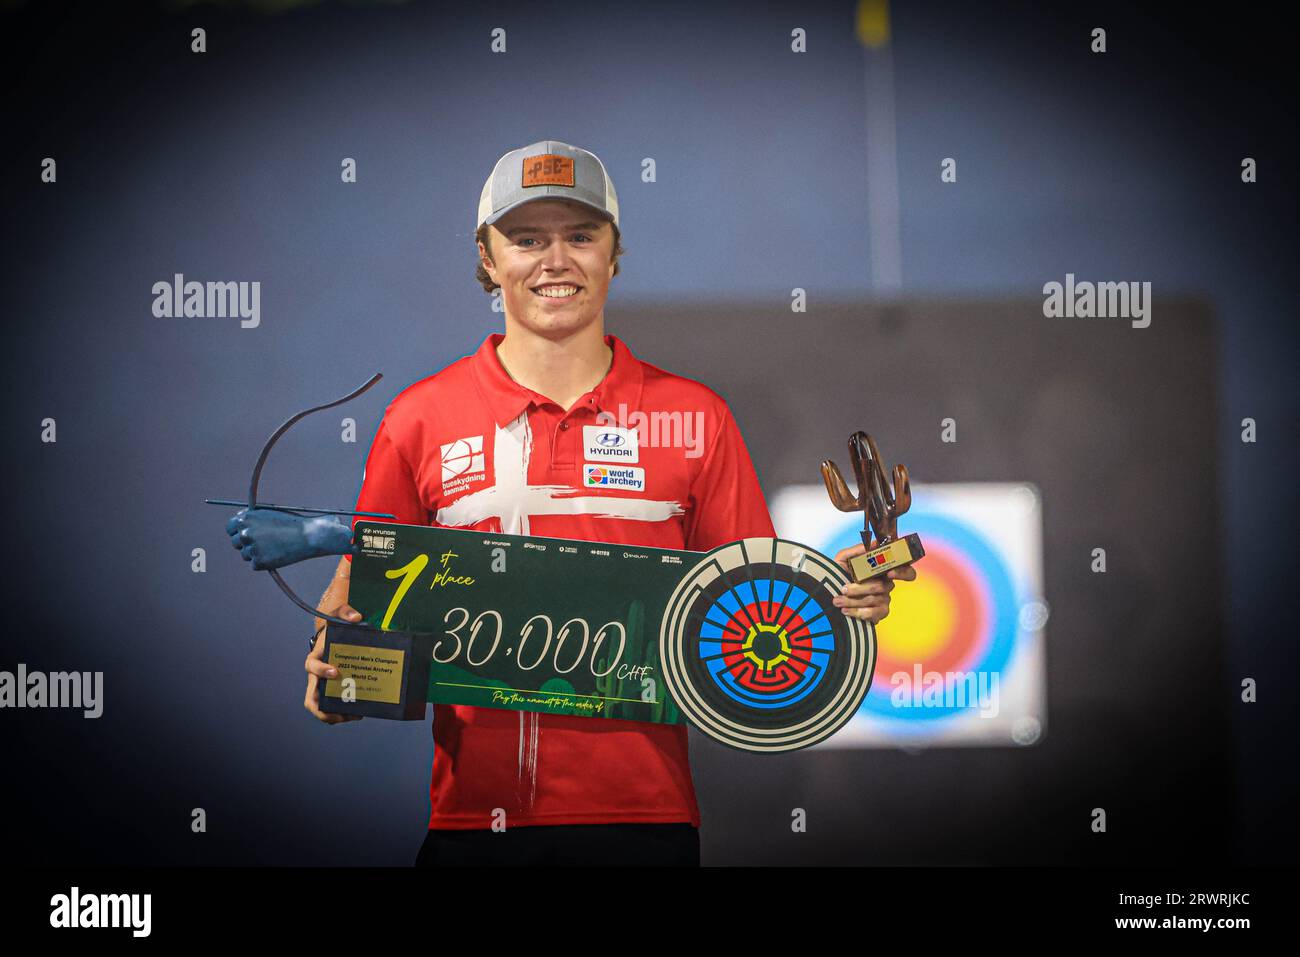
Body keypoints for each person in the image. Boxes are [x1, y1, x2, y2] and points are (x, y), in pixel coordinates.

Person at [280, 140, 914, 866]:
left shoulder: (695, 416)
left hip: (646, 825)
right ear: (487, 259)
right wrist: (337, 673)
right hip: (471, 828)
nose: (555, 261)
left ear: (615, 254)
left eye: (581, 236)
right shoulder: (418, 418)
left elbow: (752, 613)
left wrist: (835, 597)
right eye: (527, 239)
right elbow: (361, 624)